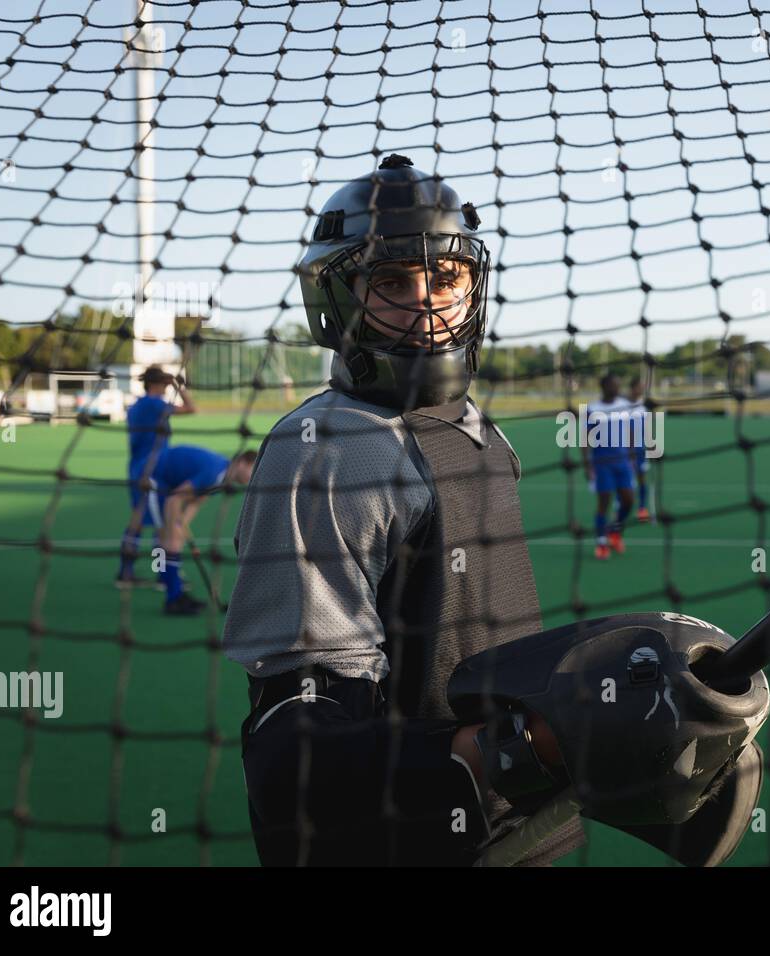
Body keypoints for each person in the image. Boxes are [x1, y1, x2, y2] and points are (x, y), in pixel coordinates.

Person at [221, 154, 585, 866]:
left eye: (446, 278)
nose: (426, 301)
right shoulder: (330, 450)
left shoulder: (479, 430)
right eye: (391, 281)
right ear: (339, 297)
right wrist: (520, 749)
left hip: (513, 832)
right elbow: (294, 748)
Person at [146, 444, 257, 615]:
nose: (253, 477)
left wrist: (182, 525)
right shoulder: (214, 472)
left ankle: (170, 584)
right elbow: (174, 499)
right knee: (168, 539)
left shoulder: (222, 479)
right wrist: (174, 528)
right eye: (252, 470)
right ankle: (173, 599)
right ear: (241, 463)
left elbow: (196, 500)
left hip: (170, 482)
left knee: (174, 539)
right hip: (154, 477)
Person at [118, 365, 196, 588]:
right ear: (156, 384)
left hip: (137, 468)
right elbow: (191, 409)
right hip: (153, 470)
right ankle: (162, 575)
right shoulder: (154, 404)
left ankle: (125, 573)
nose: (165, 387)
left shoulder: (136, 406)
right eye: (163, 383)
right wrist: (178, 385)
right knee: (162, 523)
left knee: (137, 520)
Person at [582, 372, 636, 560]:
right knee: (603, 503)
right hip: (602, 463)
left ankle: (615, 531)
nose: (617, 388)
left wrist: (631, 457)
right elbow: (585, 439)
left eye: (618, 385)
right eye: (614, 385)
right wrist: (587, 466)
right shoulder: (592, 408)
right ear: (604, 387)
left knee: (628, 500)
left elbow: (629, 431)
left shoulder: (623, 405)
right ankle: (602, 542)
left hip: (622, 462)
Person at [627, 374, 654, 522]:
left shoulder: (643, 406)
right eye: (640, 387)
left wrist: (651, 445)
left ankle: (642, 509)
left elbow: (646, 428)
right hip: (624, 450)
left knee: (642, 478)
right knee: (625, 481)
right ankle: (621, 508)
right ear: (633, 388)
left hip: (640, 449)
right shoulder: (622, 405)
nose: (642, 389)